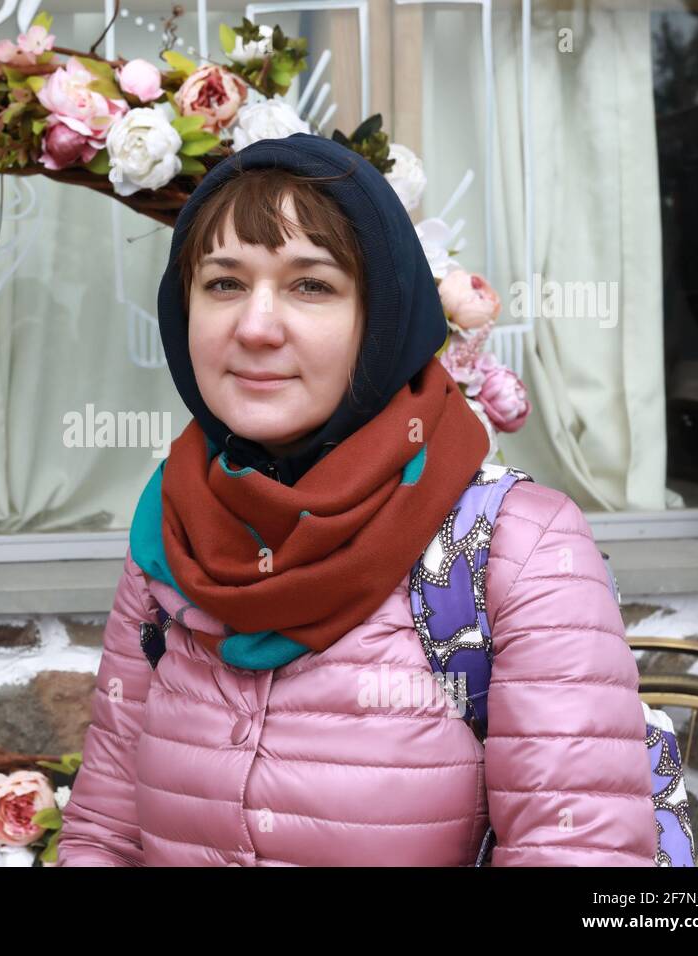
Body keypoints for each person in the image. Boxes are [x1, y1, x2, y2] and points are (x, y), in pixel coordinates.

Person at [56, 133, 657, 866]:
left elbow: (581, 855)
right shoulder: (170, 536)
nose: (254, 326)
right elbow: (104, 833)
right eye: (223, 284)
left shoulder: (518, 549)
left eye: (311, 285)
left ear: (383, 316)